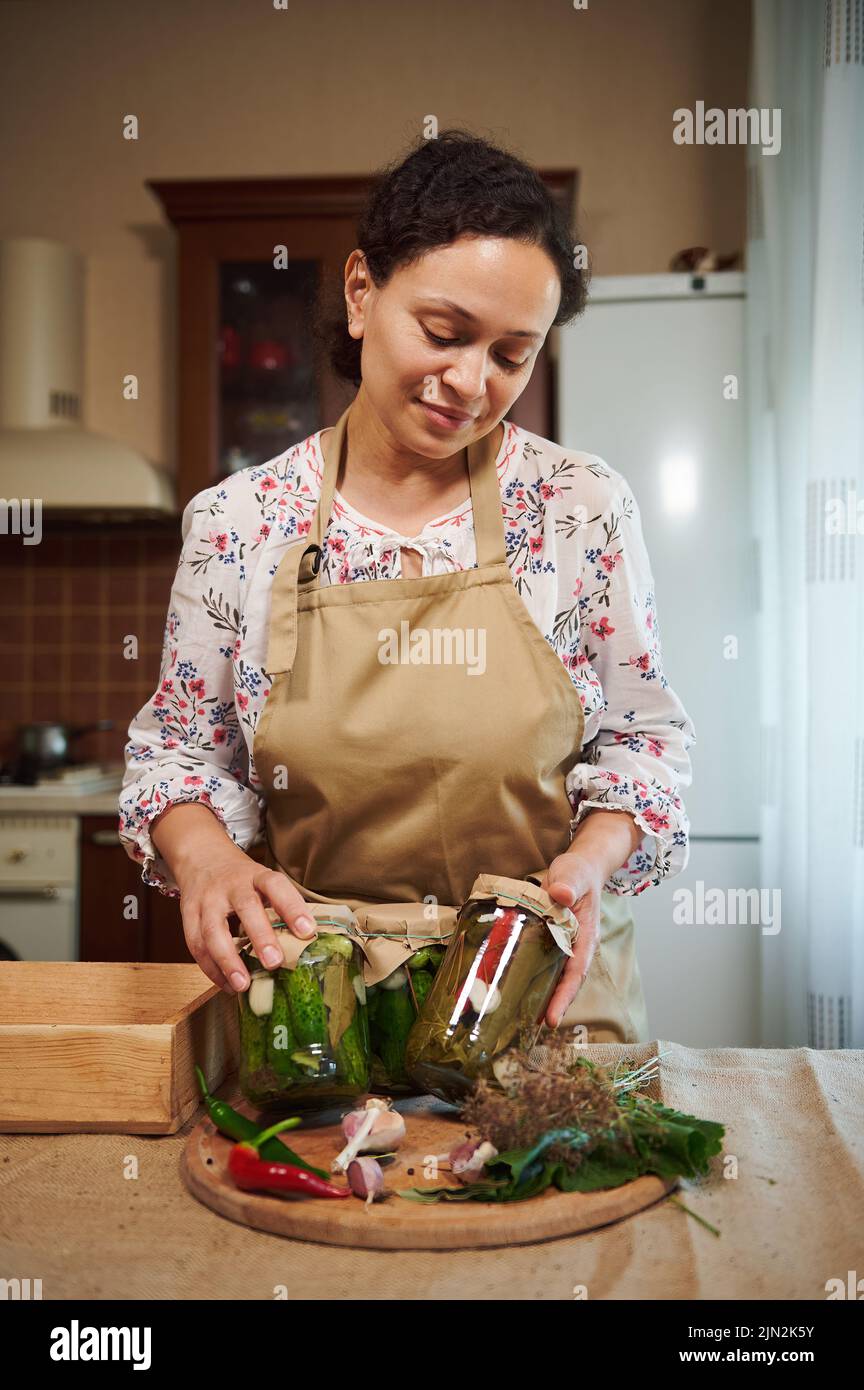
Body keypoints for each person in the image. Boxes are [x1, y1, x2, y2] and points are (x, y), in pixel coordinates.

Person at [119, 129, 696, 1042]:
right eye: (444, 332)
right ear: (361, 293)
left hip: (537, 989)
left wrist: (590, 860)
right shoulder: (240, 521)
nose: (471, 382)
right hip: (316, 1011)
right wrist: (203, 859)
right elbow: (180, 756)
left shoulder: (579, 506)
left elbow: (644, 742)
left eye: (513, 354)